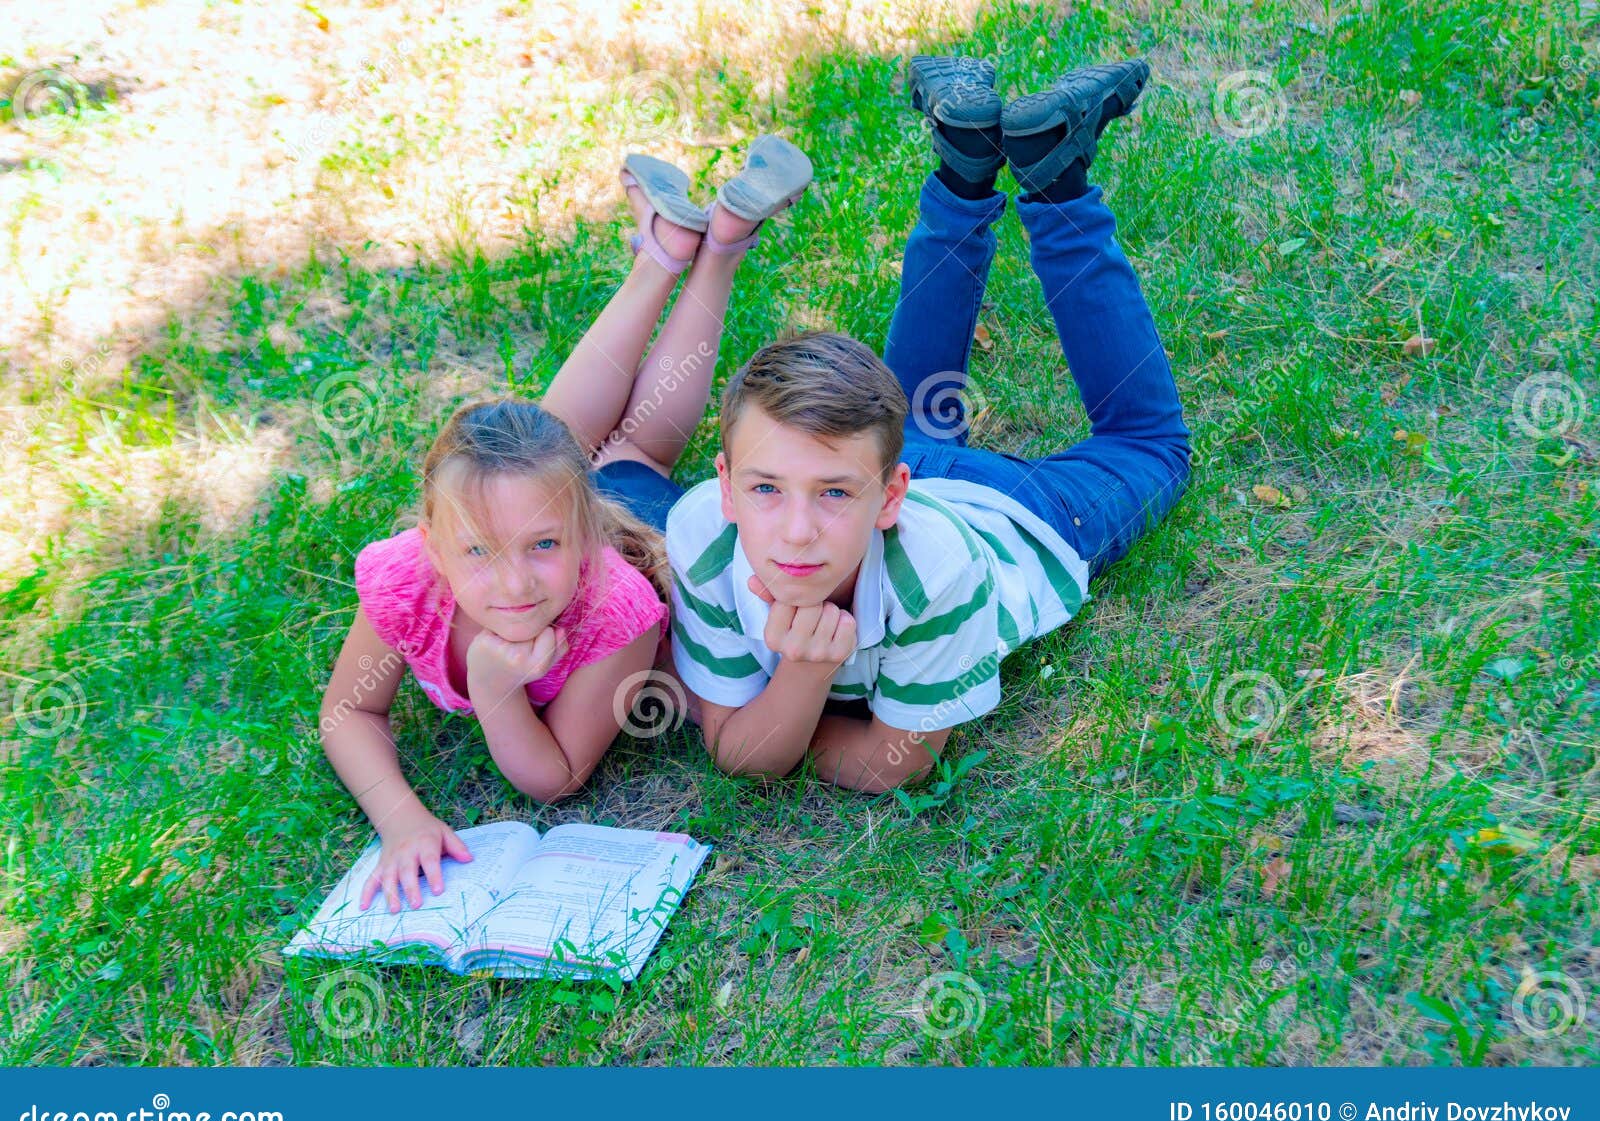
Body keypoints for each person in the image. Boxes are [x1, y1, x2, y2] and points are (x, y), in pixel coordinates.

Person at [663, 57, 1192, 793]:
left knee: (1151, 446)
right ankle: (972, 161)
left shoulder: (937, 570)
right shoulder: (700, 530)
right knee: (904, 411)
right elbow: (740, 749)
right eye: (765, 489)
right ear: (724, 486)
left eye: (831, 496)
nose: (795, 530)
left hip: (1022, 516)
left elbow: (892, 763)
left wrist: (773, 711)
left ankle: (1057, 186)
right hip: (889, 456)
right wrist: (804, 675)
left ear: (888, 495)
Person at [318, 139, 813, 913]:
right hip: (572, 501)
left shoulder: (617, 603)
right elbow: (347, 715)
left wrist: (494, 687)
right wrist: (400, 818)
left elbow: (554, 777)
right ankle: (693, 247)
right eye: (475, 551)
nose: (511, 584)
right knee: (577, 450)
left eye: (542, 547)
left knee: (634, 451)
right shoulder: (408, 577)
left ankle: (694, 251)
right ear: (434, 546)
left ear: (581, 536)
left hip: (643, 527)